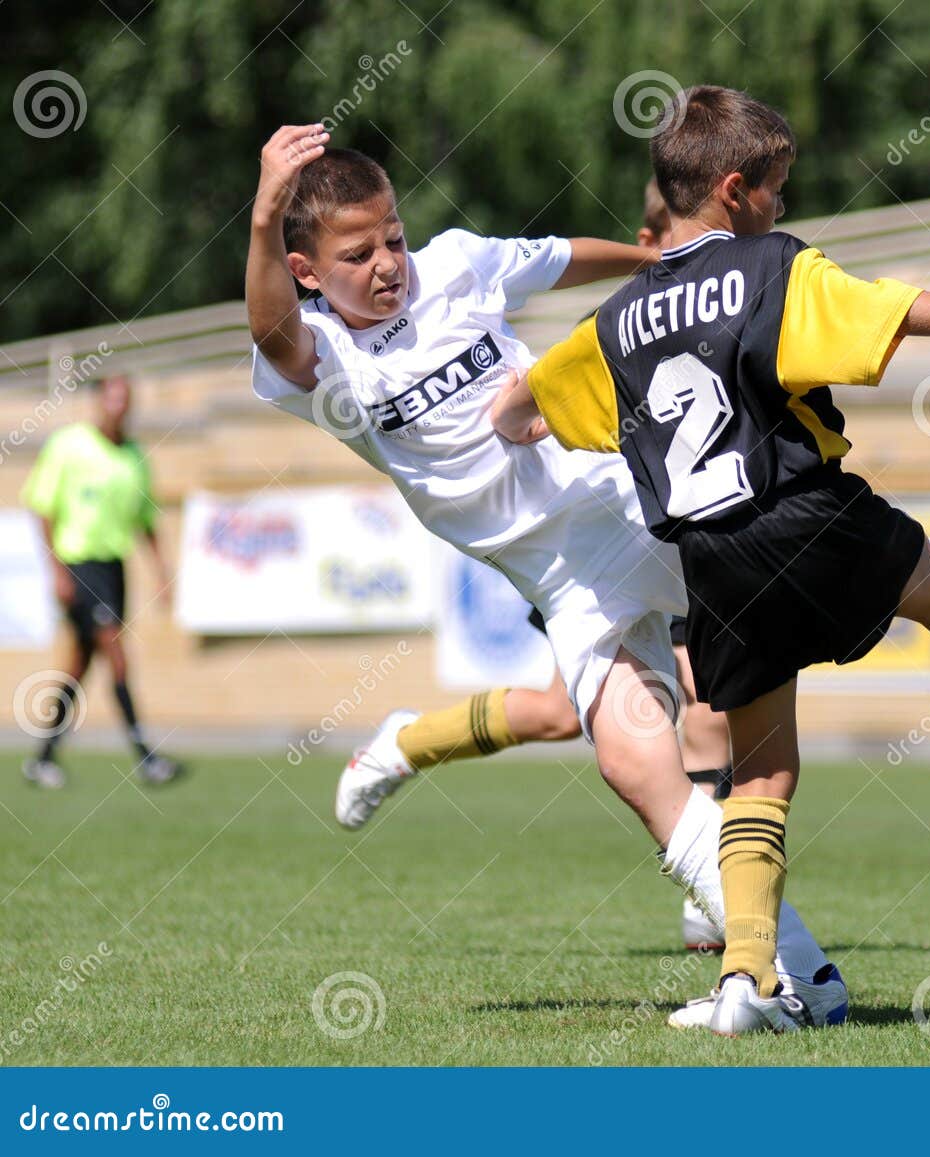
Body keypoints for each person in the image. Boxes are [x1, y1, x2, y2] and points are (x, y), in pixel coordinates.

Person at [502, 85, 930, 1034]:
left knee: (758, 777)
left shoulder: (615, 325)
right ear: (736, 190)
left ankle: (745, 983)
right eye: (777, 189)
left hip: (710, 559)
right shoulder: (772, 268)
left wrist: (530, 419)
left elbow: (519, 409)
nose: (783, 207)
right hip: (805, 511)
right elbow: (895, 312)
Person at [246, 125, 849, 1027]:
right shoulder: (321, 356)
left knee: (827, 568)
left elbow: (567, 259)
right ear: (303, 268)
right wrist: (261, 214)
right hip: (565, 582)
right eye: (358, 252)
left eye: (395, 238)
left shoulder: (456, 264)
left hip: (629, 505)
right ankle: (804, 977)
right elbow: (267, 328)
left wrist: (662, 262)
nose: (388, 263)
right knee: (632, 764)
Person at [20, 375, 182, 789]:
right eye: (112, 397)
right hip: (79, 564)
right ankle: (145, 756)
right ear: (98, 402)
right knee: (116, 652)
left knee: (80, 664)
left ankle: (43, 759)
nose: (119, 405)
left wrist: (162, 570)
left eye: (125, 398)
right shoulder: (69, 445)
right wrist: (57, 571)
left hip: (113, 567)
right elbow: (43, 507)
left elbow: (144, 520)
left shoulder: (134, 455)